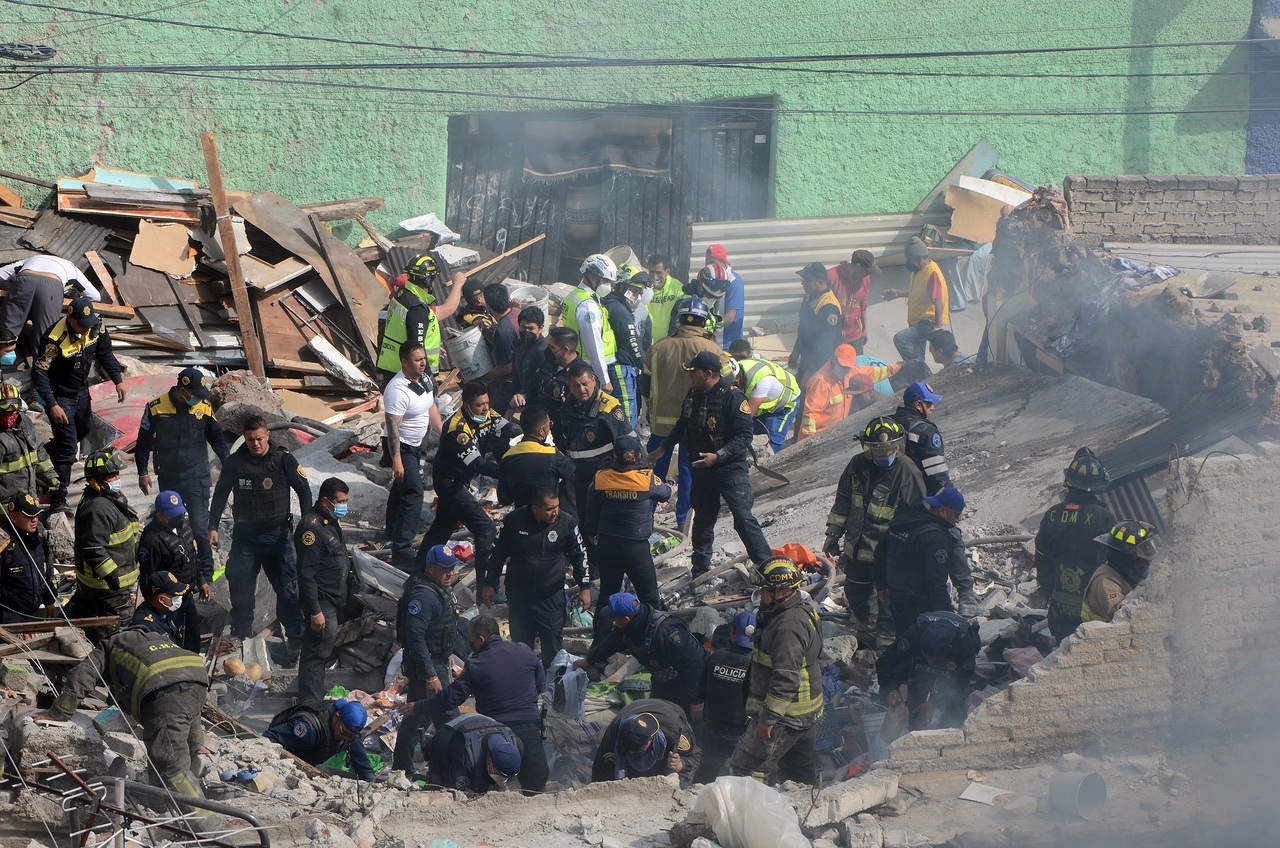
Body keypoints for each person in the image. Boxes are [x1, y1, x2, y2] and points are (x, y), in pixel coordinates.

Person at [33, 624, 209, 808]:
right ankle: (158, 803)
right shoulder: (155, 638)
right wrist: (196, 743)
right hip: (197, 679)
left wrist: (58, 713)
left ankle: (207, 825)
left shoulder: (109, 645)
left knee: (172, 765)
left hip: (162, 691)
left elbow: (83, 675)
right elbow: (186, 704)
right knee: (160, 744)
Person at [650, 350, 772, 577]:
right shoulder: (693, 394)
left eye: (694, 373)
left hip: (729, 470)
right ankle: (700, 569)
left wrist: (719, 456)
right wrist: (662, 448)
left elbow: (744, 436)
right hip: (701, 469)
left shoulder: (733, 397)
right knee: (703, 520)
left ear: (708, 374)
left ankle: (766, 565)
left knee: (743, 517)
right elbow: (682, 424)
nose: (690, 377)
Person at [403, 615, 549, 794]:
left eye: (471, 640)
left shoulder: (477, 663)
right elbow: (541, 684)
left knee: (484, 789)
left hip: (495, 732)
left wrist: (418, 707)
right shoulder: (524, 651)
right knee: (536, 789)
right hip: (529, 728)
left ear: (480, 639)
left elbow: (450, 699)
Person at [208, 417, 311, 655]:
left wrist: (306, 523)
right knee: (240, 585)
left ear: (267, 436)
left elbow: (304, 489)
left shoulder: (283, 459)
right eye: (250, 439)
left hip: (277, 537)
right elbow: (221, 493)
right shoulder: (235, 462)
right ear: (245, 438)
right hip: (245, 538)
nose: (255, 444)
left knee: (286, 589)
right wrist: (212, 526)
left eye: (259, 439)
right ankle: (242, 633)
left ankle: (296, 637)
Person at [823, 417, 926, 648]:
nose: (883, 455)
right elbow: (843, 502)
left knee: (888, 602)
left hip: (889, 556)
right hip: (858, 551)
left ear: (897, 446)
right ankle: (866, 640)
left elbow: (918, 515)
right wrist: (833, 533)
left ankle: (887, 650)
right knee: (856, 594)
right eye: (876, 450)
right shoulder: (856, 466)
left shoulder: (907, 471)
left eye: (888, 450)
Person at [729, 557, 822, 784]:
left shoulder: (788, 627)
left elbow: (786, 678)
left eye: (764, 590)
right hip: (803, 712)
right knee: (798, 773)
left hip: (786, 715)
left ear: (780, 592)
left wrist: (768, 720)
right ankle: (798, 812)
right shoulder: (794, 610)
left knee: (746, 768)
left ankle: (751, 816)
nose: (760, 595)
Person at [134, 367, 228, 586]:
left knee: (199, 524)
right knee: (171, 524)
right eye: (194, 393)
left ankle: (205, 574)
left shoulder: (203, 407)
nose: (197, 398)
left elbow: (217, 439)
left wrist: (229, 465)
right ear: (182, 389)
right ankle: (177, 568)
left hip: (196, 475)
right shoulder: (156, 407)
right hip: (169, 476)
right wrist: (142, 472)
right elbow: (143, 441)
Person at [32, 297, 125, 512]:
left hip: (81, 391)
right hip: (60, 396)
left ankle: (44, 455)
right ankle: (59, 498)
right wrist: (52, 404)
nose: (86, 328)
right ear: (70, 319)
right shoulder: (54, 339)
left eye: (89, 323)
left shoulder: (96, 329)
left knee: (84, 429)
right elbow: (40, 373)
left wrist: (117, 380)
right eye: (82, 324)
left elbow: (105, 354)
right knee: (67, 448)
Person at [420, 381, 519, 579]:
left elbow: (508, 427)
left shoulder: (486, 414)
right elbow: (478, 464)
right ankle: (485, 585)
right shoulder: (457, 429)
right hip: (449, 482)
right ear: (467, 406)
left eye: (486, 403)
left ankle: (420, 570)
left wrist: (524, 437)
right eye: (479, 405)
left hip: (459, 481)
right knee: (486, 529)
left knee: (442, 528)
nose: (485, 408)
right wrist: (509, 472)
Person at [485, 487, 589, 669]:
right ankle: (525, 688)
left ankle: (552, 689)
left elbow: (579, 555)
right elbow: (497, 553)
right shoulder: (513, 521)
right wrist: (490, 583)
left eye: (557, 506)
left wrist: (585, 587)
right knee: (521, 649)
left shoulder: (566, 522)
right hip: (520, 597)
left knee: (553, 649)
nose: (555, 512)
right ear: (535, 508)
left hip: (551, 597)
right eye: (549, 508)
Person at [642, 298, 721, 530]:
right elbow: (723, 384)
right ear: (704, 321)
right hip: (695, 423)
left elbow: (644, 384)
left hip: (660, 420)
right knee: (688, 471)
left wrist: (648, 406)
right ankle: (683, 522)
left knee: (654, 467)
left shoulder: (658, 347)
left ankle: (644, 516)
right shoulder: (712, 349)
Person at [586, 437, 671, 632]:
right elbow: (665, 493)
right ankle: (654, 640)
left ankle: (600, 645)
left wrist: (592, 533)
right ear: (639, 456)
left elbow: (591, 511)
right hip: (636, 548)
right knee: (649, 599)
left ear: (613, 456)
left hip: (607, 545)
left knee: (607, 594)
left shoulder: (600, 477)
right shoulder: (646, 478)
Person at [576, 593, 706, 717]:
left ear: (626, 619)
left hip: (688, 683)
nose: (613, 621)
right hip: (662, 683)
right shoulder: (629, 628)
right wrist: (589, 661)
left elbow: (695, 664)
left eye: (614, 618)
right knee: (659, 718)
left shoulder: (667, 632)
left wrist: (697, 699)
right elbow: (610, 644)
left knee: (689, 723)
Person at [393, 544, 463, 774]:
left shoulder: (438, 588)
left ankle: (402, 768)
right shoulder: (423, 595)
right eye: (444, 569)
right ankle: (458, 767)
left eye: (452, 567)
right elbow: (415, 637)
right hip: (429, 667)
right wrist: (431, 674)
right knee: (449, 718)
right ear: (430, 567)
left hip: (436, 662)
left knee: (416, 717)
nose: (450, 573)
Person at [1037, 448, 1116, 640]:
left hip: (1059, 610)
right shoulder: (1103, 518)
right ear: (1098, 486)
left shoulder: (1052, 515)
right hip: (1092, 610)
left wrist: (1048, 591)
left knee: (1062, 653)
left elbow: (1041, 558)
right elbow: (1114, 563)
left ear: (1068, 482)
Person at [560, 362, 633, 568]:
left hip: (605, 476)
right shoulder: (568, 407)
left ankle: (613, 565)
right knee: (585, 523)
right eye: (575, 386)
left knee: (607, 524)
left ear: (594, 380)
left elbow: (627, 444)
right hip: (579, 478)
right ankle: (593, 568)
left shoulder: (609, 407)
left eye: (585, 384)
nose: (581, 390)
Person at [875, 487, 968, 638]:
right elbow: (936, 584)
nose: (958, 520)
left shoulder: (905, 520)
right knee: (922, 645)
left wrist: (881, 585)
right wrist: (949, 617)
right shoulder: (935, 538)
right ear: (942, 511)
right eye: (956, 514)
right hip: (918, 605)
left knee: (902, 638)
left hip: (895, 596)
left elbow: (880, 553)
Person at [64, 449, 140, 631]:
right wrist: (111, 576)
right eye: (111, 475)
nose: (117, 479)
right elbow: (93, 549)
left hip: (100, 586)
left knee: (79, 618)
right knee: (125, 629)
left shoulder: (109, 498)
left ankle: (57, 628)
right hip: (107, 588)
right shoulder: (97, 507)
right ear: (97, 480)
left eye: (117, 474)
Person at [383, 342, 444, 568]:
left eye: (423, 358)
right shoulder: (397, 390)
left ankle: (391, 531)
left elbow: (432, 409)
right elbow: (392, 429)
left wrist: (444, 434)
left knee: (401, 488)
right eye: (417, 360)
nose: (422, 363)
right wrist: (396, 460)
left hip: (417, 444)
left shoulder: (425, 379)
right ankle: (402, 550)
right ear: (404, 362)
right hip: (401, 446)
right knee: (414, 492)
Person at [295, 477, 355, 703]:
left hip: (335, 597)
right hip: (321, 601)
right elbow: (306, 573)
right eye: (340, 501)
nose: (344, 506)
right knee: (315, 653)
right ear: (325, 501)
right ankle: (310, 703)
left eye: (346, 501)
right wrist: (315, 611)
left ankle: (315, 698)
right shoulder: (310, 529)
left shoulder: (330, 521)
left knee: (323, 650)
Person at [876, 611, 980, 730]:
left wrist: (934, 702)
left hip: (949, 668)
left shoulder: (965, 645)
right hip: (918, 664)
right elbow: (884, 662)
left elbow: (962, 682)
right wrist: (892, 688)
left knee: (955, 706)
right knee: (909, 695)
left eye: (934, 660)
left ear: (949, 648)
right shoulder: (914, 634)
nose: (930, 662)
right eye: (927, 657)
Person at [375, 252, 466, 381]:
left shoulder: (397, 302)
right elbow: (416, 346)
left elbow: (394, 338)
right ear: (428, 280)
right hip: (411, 377)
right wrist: (425, 379)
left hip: (394, 370)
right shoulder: (417, 308)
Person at [693, 610, 755, 783]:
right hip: (742, 731)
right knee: (741, 774)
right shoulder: (756, 663)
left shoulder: (716, 657)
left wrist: (697, 701)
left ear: (732, 633)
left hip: (713, 727)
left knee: (707, 769)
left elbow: (701, 689)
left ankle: (697, 795)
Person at [136, 491, 203, 651]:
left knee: (192, 640)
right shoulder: (152, 540)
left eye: (180, 513)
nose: (179, 518)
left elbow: (192, 557)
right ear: (160, 516)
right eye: (173, 515)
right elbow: (148, 578)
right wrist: (162, 607)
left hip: (186, 596)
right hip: (169, 603)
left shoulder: (183, 526)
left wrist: (201, 582)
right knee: (173, 644)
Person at [0, 254, 98, 361]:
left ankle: (3, 362)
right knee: (45, 335)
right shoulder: (73, 269)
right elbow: (95, 296)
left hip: (24, 281)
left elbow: (1, 274)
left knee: (7, 334)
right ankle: (40, 371)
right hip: (52, 286)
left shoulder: (31, 259)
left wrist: (11, 288)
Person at [799, 345, 904, 441]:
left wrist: (899, 366)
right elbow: (810, 416)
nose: (844, 370)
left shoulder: (852, 372)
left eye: (847, 368)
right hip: (816, 436)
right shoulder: (820, 381)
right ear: (834, 359)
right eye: (842, 366)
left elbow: (878, 372)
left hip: (831, 435)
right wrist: (810, 440)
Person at [591, 697, 701, 789]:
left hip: (668, 711)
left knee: (679, 777)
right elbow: (600, 772)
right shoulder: (613, 737)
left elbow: (696, 756)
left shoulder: (674, 731)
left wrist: (681, 765)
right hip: (631, 711)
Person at [265, 698, 375, 781]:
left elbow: (362, 764)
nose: (344, 738)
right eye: (343, 732)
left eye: (349, 735)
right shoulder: (309, 729)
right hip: (287, 752)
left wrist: (371, 783)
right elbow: (268, 739)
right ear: (336, 717)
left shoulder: (349, 733)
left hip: (307, 760)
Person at [496, 405, 575, 510]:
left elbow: (504, 498)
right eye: (549, 425)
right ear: (542, 431)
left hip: (521, 516)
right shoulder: (551, 454)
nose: (550, 429)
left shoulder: (507, 457)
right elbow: (570, 470)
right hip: (548, 518)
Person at [884, 236, 949, 363]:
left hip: (927, 322)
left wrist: (937, 328)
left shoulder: (932, 273)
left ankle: (922, 372)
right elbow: (919, 293)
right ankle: (921, 377)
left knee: (901, 338)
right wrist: (897, 293)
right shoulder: (918, 271)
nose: (908, 263)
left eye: (910, 260)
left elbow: (938, 301)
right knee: (917, 355)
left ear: (918, 259)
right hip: (918, 321)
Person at [1081, 520, 1159, 624]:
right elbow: (1122, 617)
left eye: (1146, 559)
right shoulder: (1106, 581)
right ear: (1123, 560)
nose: (1144, 564)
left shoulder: (1126, 574)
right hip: (1105, 638)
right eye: (1139, 560)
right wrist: (1144, 589)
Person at [427, 712, 523, 795]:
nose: (504, 779)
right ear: (490, 761)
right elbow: (456, 790)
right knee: (441, 788)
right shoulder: (465, 755)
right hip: (448, 736)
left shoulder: (517, 744)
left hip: (487, 722)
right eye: (500, 774)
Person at [562, 254, 618, 392]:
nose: (608, 286)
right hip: (590, 368)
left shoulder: (575, 296)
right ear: (592, 277)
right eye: (605, 281)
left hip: (580, 364)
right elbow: (594, 345)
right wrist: (604, 380)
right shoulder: (587, 305)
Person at [600, 269, 648, 428]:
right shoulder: (620, 310)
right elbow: (631, 339)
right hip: (621, 367)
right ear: (621, 287)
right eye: (634, 291)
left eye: (640, 292)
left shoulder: (607, 302)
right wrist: (645, 365)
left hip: (610, 366)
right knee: (627, 419)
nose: (637, 296)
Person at [788, 262, 843, 392]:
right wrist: (795, 352)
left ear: (820, 282)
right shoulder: (809, 297)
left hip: (821, 363)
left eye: (807, 280)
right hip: (807, 356)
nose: (803, 283)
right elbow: (803, 329)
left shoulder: (829, 307)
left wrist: (811, 371)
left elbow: (826, 345)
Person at [0, 493, 55, 623]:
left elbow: (43, 575)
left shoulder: (39, 541)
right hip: (7, 617)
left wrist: (49, 600)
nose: (35, 519)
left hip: (32, 614)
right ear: (13, 517)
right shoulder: (4, 544)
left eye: (36, 515)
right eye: (28, 516)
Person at [0, 382, 58, 504]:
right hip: (7, 504)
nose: (8, 416)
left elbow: (39, 452)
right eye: (4, 412)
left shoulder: (25, 423)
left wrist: (50, 475)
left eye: (12, 412)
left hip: (29, 497)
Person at [892, 381, 952, 495]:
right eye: (929, 403)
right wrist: (949, 497)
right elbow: (937, 474)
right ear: (918, 405)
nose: (933, 407)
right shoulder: (926, 431)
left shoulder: (889, 424)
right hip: (916, 495)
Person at [735, 355, 800, 454]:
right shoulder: (738, 367)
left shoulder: (761, 381)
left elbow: (746, 417)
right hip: (767, 404)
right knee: (752, 430)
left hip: (786, 404)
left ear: (736, 380)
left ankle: (771, 463)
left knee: (773, 440)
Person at [528, 326, 580, 429]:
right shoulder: (548, 364)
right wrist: (523, 395)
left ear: (565, 350)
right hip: (538, 426)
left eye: (551, 347)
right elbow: (532, 386)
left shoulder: (580, 376)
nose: (547, 350)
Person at [828, 249, 878, 354]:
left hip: (855, 336)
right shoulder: (832, 276)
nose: (868, 275)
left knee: (857, 368)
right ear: (858, 267)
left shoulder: (866, 279)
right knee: (834, 368)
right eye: (867, 271)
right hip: (833, 337)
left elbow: (862, 304)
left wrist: (865, 328)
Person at [483, 283, 519, 410]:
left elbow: (508, 366)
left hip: (511, 383)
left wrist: (485, 376)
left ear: (488, 305)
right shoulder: (516, 312)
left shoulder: (503, 330)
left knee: (494, 414)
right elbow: (503, 342)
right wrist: (483, 330)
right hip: (522, 376)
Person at [506, 305, 548, 413]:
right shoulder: (520, 344)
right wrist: (511, 405)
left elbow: (540, 385)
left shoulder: (542, 352)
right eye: (523, 328)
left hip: (535, 405)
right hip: (519, 400)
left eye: (531, 328)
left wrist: (524, 396)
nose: (526, 332)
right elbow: (515, 376)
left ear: (541, 328)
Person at [130, 570, 190, 644]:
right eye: (175, 596)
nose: (179, 599)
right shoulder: (146, 627)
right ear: (161, 599)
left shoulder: (162, 611)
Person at [705, 244, 745, 349]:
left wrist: (711, 324)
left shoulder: (733, 281)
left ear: (723, 263)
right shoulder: (707, 276)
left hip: (727, 344)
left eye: (712, 263)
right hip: (710, 342)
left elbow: (730, 317)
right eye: (707, 262)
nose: (708, 266)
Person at [645, 254, 687, 341]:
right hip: (648, 341)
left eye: (658, 272)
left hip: (670, 341)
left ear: (667, 272)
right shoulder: (643, 287)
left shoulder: (678, 288)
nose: (654, 276)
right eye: (651, 272)